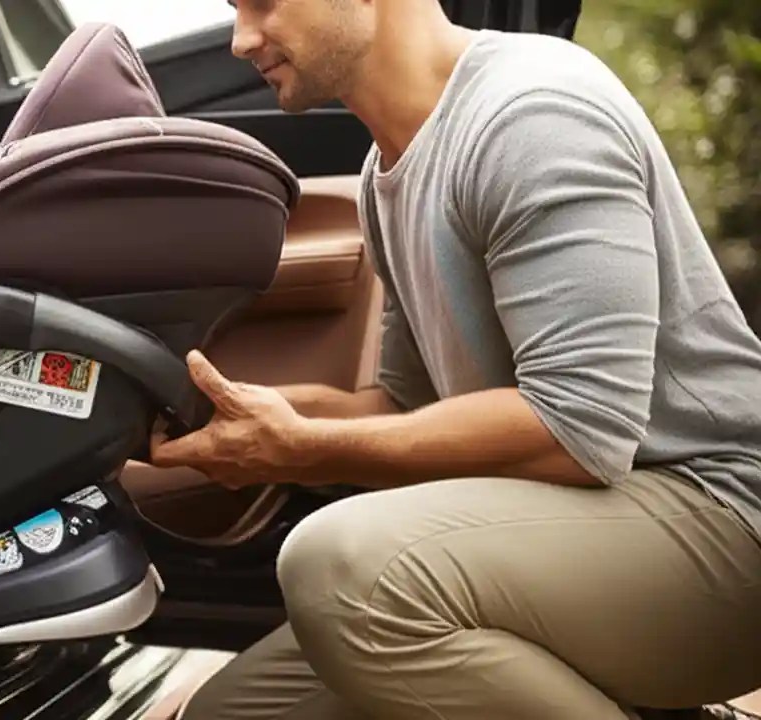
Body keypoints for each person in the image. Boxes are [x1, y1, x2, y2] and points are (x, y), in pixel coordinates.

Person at [147, 0, 761, 718]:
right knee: (231, 712)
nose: (240, 38)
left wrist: (308, 448)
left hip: (720, 525)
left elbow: (581, 429)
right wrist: (216, 411)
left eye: (264, 2)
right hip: (592, 522)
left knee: (338, 570)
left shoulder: (531, 114)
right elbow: (408, 411)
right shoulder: (389, 169)